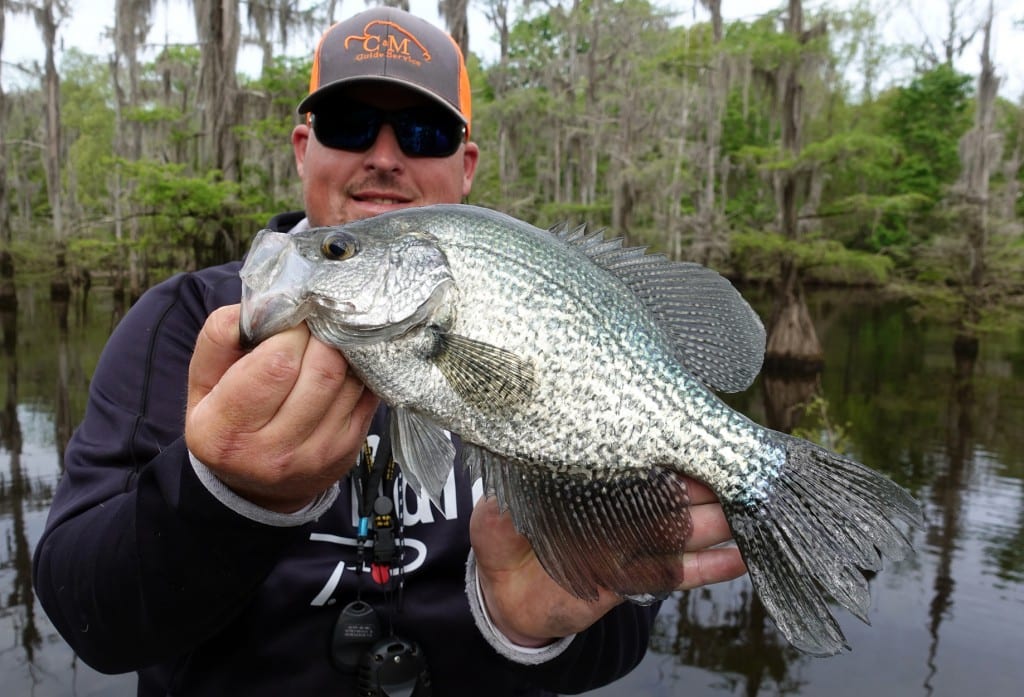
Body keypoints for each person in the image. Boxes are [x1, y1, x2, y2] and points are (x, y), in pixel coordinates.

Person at [33, 7, 745, 696]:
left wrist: (532, 629)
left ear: (466, 165)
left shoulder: (530, 301)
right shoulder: (184, 321)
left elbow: (622, 615)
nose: (384, 156)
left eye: (423, 132)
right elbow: (88, 614)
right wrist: (222, 499)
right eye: (349, 125)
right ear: (303, 147)